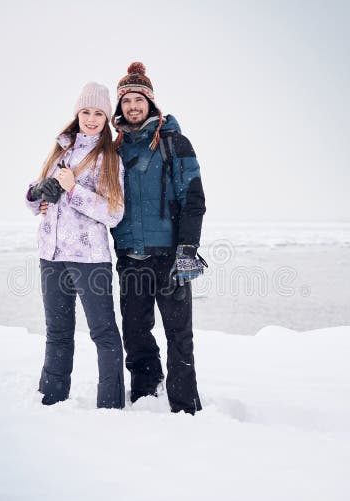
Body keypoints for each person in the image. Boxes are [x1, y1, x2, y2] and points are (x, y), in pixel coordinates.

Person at [110, 62, 207, 414]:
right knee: (135, 335)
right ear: (119, 107)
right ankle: (145, 399)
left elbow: (193, 199)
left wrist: (187, 249)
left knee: (179, 336)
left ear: (150, 103)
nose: (133, 106)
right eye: (126, 101)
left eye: (139, 99)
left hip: (170, 257)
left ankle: (184, 407)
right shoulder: (114, 148)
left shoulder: (173, 142)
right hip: (131, 256)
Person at [25, 82, 125, 409]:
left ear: (107, 117)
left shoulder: (110, 158)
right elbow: (36, 198)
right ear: (77, 114)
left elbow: (114, 212)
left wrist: (73, 191)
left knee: (103, 333)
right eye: (86, 112)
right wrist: (36, 194)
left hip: (89, 258)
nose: (92, 118)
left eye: (99, 113)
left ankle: (110, 405)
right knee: (57, 331)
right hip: (51, 254)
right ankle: (51, 399)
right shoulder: (61, 150)